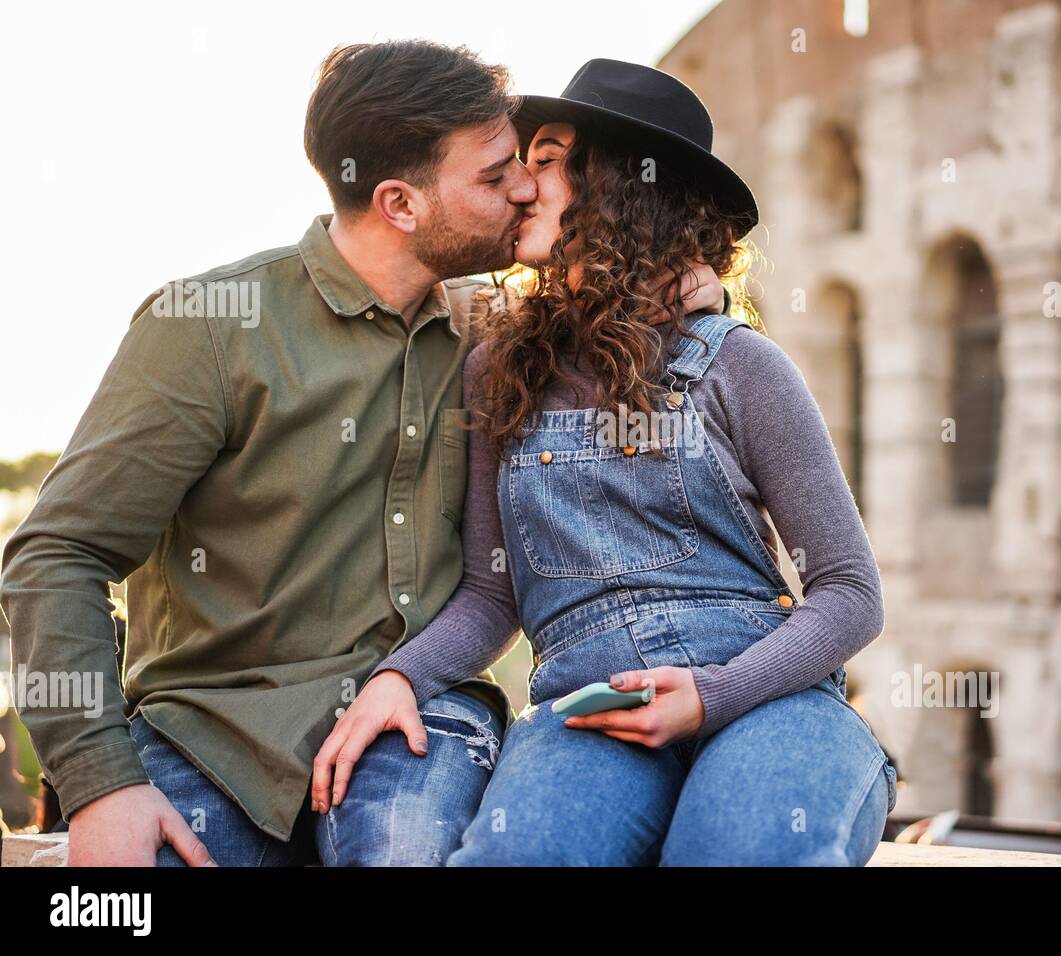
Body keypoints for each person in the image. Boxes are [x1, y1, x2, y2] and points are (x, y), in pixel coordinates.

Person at [0, 39, 724, 867]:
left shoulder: (503, 338)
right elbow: (58, 553)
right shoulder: (206, 325)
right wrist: (101, 784)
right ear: (401, 203)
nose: (525, 186)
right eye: (493, 178)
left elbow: (628, 338)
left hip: (424, 721)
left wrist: (690, 295)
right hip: (212, 731)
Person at [314, 59, 897, 866]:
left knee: (739, 849)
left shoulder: (739, 366)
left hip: (766, 698)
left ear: (619, 188)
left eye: (547, 161)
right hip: (588, 712)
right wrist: (400, 677)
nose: (521, 183)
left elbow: (851, 594)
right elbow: (493, 594)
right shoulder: (500, 370)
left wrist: (713, 695)